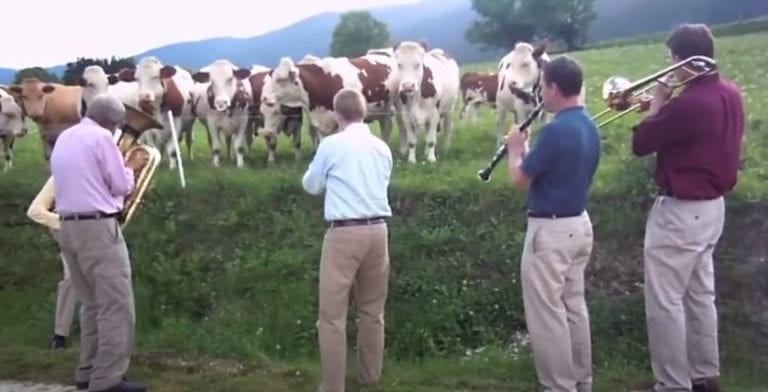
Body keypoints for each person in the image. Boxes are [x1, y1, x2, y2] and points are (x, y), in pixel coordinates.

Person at [630, 23, 745, 392]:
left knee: (664, 302)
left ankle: (672, 384)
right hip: (713, 210)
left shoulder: (688, 104)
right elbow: (690, 129)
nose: (669, 67)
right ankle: (704, 375)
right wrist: (655, 105)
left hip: (681, 213)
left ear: (683, 60)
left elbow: (642, 142)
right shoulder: (730, 93)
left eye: (671, 60)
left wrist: (660, 101)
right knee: (699, 296)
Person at [505, 55, 601, 392]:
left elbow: (519, 177)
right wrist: (531, 148)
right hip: (579, 223)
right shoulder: (588, 124)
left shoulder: (555, 130)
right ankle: (580, 381)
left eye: (543, 86)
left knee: (547, 314)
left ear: (554, 88)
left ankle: (558, 386)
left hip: (550, 231)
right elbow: (553, 168)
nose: (541, 93)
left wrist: (516, 149)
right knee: (574, 307)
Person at [49, 94, 148, 392]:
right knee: (116, 307)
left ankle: (87, 372)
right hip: (97, 228)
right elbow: (120, 185)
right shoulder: (102, 138)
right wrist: (131, 166)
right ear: (114, 123)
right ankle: (107, 380)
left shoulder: (67, 137)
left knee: (91, 305)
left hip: (67, 226)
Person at [301, 88, 393, 392]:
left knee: (331, 316)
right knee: (372, 310)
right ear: (364, 112)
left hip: (344, 233)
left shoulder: (332, 145)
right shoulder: (382, 147)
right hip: (378, 231)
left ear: (337, 114)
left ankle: (332, 386)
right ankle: (370, 376)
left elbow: (312, 186)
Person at [26, 176, 79, 350]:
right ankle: (60, 335)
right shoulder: (60, 176)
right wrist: (64, 223)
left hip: (103, 231)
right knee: (72, 278)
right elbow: (35, 211)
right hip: (69, 232)